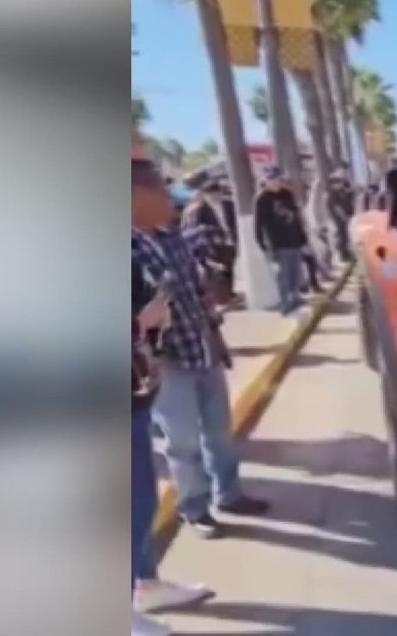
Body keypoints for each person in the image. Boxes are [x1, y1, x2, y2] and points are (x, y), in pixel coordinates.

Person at [133, 187, 270, 541]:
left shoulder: (174, 239)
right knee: (183, 443)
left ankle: (229, 493)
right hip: (166, 362)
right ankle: (195, 508)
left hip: (201, 350)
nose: (170, 202)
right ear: (135, 198)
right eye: (160, 193)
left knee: (219, 432)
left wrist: (216, 336)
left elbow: (198, 292)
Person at [132, 136, 214, 636]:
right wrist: (142, 322)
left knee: (140, 497)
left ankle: (145, 583)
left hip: (135, 390)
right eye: (162, 190)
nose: (171, 200)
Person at [255, 166, 309, 314]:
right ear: (265, 180)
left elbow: (296, 219)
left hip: (294, 241)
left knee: (295, 274)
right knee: (283, 276)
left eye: (276, 178)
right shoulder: (262, 199)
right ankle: (286, 303)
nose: (274, 182)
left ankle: (295, 299)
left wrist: (303, 240)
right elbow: (259, 226)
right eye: (270, 179)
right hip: (278, 244)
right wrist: (264, 246)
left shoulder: (287, 194)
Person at [181, 180, 238, 301]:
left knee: (230, 266)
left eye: (216, 193)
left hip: (230, 240)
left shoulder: (228, 204)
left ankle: (230, 292)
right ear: (205, 195)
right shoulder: (200, 209)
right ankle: (223, 296)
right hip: (213, 244)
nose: (214, 197)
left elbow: (234, 220)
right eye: (210, 195)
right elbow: (197, 227)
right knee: (219, 270)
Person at [327, 171, 354, 262]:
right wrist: (344, 217)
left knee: (346, 236)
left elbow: (349, 201)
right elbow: (337, 208)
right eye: (339, 182)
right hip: (339, 220)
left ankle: (346, 252)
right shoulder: (333, 194)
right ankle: (344, 254)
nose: (342, 184)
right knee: (342, 236)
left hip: (345, 219)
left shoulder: (342, 192)